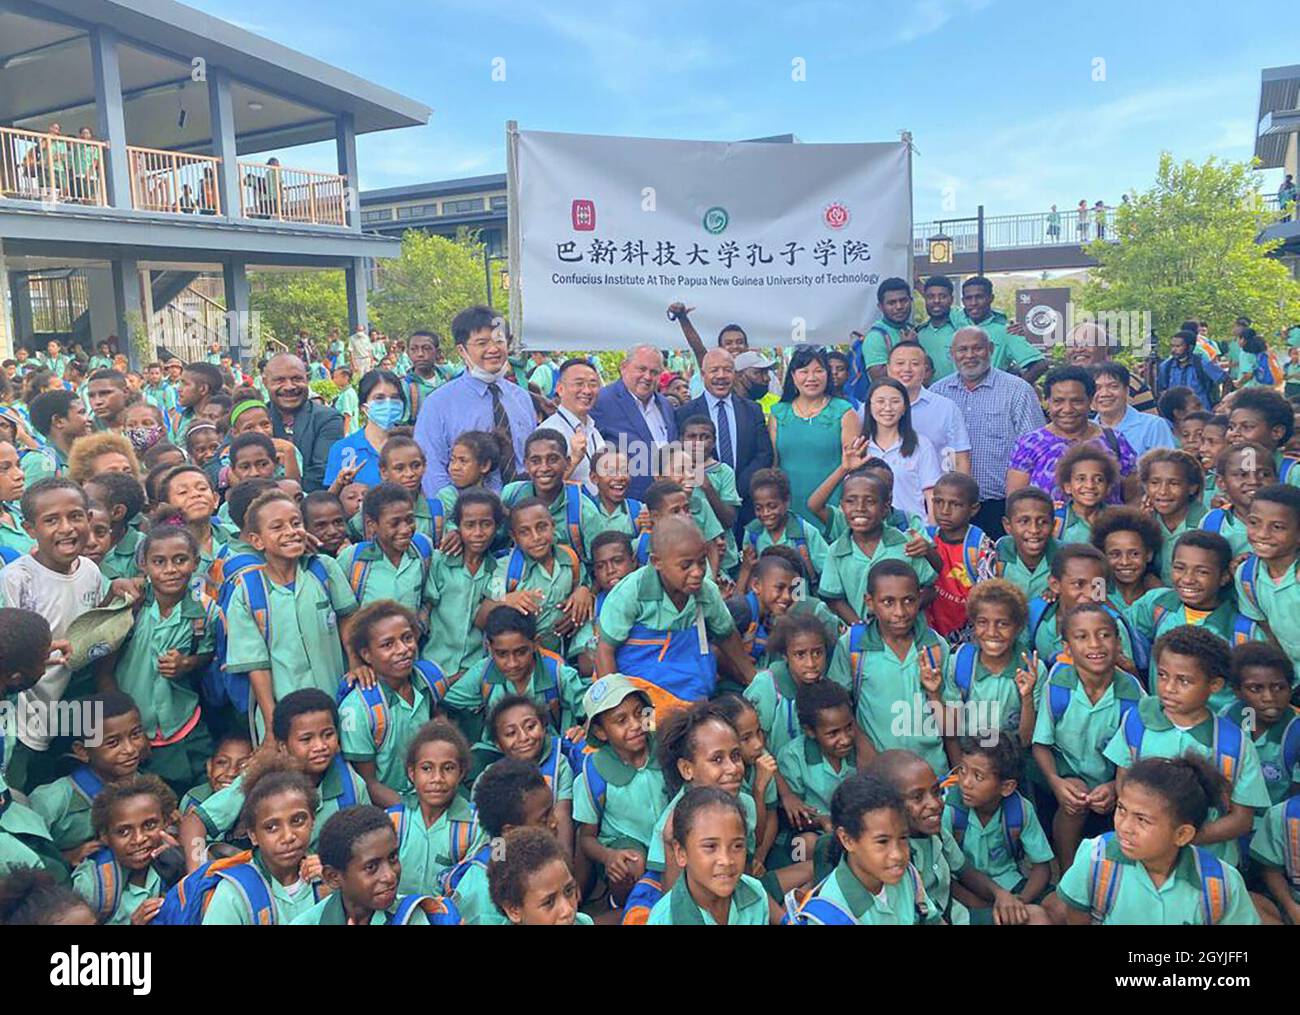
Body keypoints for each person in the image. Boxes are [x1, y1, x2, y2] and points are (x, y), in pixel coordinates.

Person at [1053, 755, 1260, 925]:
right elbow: (1076, 914)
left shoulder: (1220, 884)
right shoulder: (1095, 858)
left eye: (1142, 820)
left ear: (1182, 835)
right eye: (1121, 809)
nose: (1125, 827)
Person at [930, 326, 1045, 539]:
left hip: (1000, 506)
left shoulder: (1017, 391)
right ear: (952, 354)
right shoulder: (937, 393)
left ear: (990, 349)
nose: (970, 355)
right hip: (950, 509)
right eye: (962, 350)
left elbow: (1034, 450)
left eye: (977, 348)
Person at [786, 773, 941, 925]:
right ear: (847, 840)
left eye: (902, 838)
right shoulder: (830, 917)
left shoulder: (908, 876)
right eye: (882, 842)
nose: (898, 854)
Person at [416, 305, 534, 496]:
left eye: (499, 341)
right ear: (462, 351)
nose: (493, 349)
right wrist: (456, 513)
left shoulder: (521, 398)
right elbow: (432, 469)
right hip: (470, 517)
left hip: (523, 512)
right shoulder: (438, 404)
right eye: (482, 343)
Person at [290, 804, 459, 925]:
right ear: (333, 877)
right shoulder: (308, 921)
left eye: (392, 858)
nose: (389, 876)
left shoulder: (410, 917)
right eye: (371, 867)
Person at [1006, 366, 1136, 504]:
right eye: (1058, 401)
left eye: (1076, 401)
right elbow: (1016, 503)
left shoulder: (1114, 441)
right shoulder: (1030, 444)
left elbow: (1133, 498)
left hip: (1108, 525)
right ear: (1047, 401)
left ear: (1090, 400)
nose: (1067, 409)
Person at [675, 347, 773, 526]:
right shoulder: (684, 414)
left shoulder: (752, 410)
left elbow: (764, 454)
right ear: (703, 374)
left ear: (735, 375)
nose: (721, 376)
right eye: (714, 370)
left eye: (727, 370)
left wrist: (734, 486)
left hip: (747, 504)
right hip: (701, 508)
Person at [768, 346, 859, 527]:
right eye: (804, 371)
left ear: (827, 375)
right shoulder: (778, 413)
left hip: (831, 504)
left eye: (819, 371)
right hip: (789, 504)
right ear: (793, 376)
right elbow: (774, 465)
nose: (812, 378)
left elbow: (853, 466)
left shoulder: (844, 412)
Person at [590, 345, 679, 502]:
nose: (648, 377)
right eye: (641, 369)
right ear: (624, 367)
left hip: (666, 503)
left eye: (654, 372)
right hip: (626, 504)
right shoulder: (602, 401)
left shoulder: (665, 405)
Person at [862, 377, 942, 522]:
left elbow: (931, 495)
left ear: (905, 407)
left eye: (895, 401)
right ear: (869, 406)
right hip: (869, 530)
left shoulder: (921, 445)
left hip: (911, 531)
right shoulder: (859, 446)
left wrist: (931, 533)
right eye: (880, 401)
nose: (888, 408)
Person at [886, 340, 970, 474]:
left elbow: (959, 458)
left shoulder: (945, 408)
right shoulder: (872, 408)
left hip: (937, 491)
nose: (907, 369)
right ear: (889, 369)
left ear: (925, 370)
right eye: (900, 363)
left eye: (915, 364)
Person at [263, 353, 344, 493]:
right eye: (279, 380)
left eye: (297, 379)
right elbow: (217, 466)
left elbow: (321, 473)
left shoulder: (328, 419)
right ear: (265, 383)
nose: (289, 387)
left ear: (307, 380)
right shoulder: (256, 418)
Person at [323, 369, 407, 491]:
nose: (388, 404)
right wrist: (339, 483)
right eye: (379, 398)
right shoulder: (343, 448)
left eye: (395, 398)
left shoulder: (411, 446)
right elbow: (330, 502)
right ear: (364, 407)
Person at [539, 358, 605, 494]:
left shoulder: (593, 429)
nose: (587, 391)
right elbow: (542, 488)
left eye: (593, 384)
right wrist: (574, 459)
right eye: (579, 384)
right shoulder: (548, 432)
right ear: (560, 389)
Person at [1092, 362, 1175, 460]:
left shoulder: (1153, 426)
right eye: (1097, 388)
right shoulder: (1087, 430)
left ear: (1127, 391)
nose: (1104, 393)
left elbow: (1168, 467)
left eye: (1113, 386)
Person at [1158, 329, 1225, 409]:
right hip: (1177, 415)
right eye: (1172, 346)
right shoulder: (1166, 366)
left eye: (1178, 346)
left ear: (1190, 347)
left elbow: (1226, 380)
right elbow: (1162, 390)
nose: (1173, 350)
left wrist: (1222, 403)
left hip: (1201, 413)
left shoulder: (1202, 364)